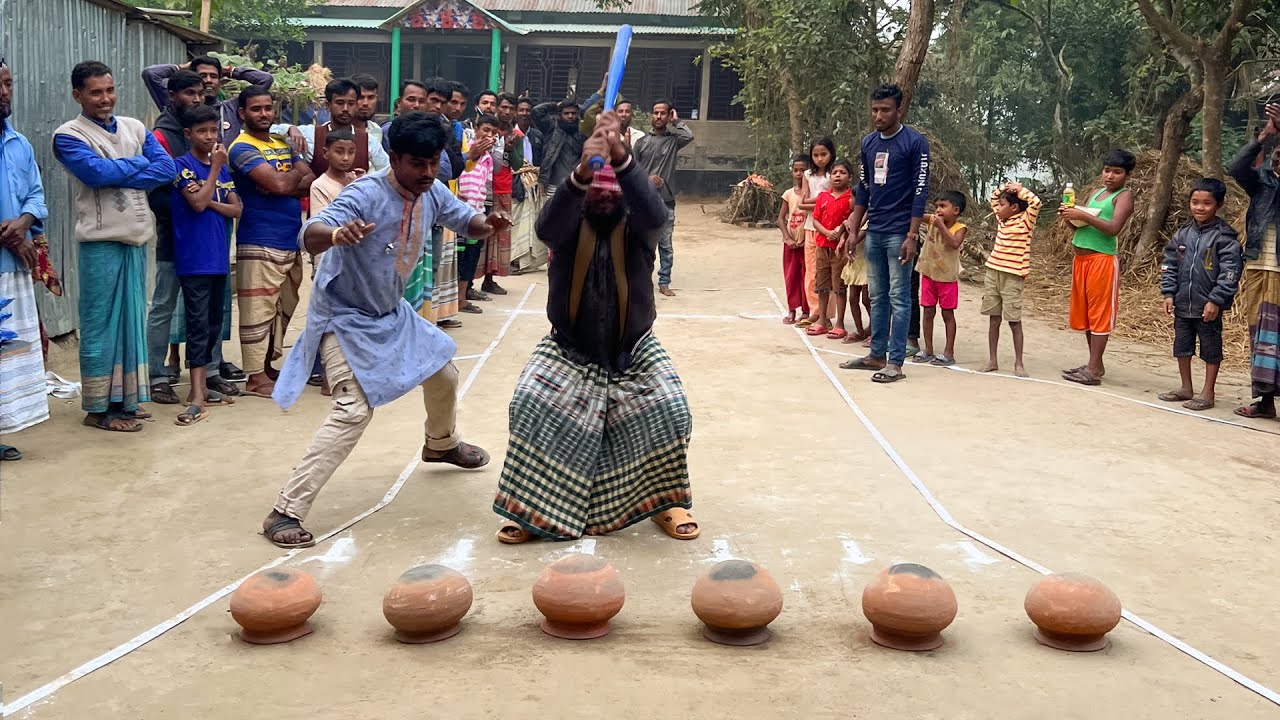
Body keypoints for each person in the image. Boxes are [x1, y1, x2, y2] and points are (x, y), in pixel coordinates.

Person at [260, 111, 503, 548]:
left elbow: (468, 221)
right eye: (418, 163)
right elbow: (310, 232)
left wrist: (490, 225)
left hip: (392, 311)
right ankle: (284, 511)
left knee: (444, 372)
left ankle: (441, 444)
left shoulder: (430, 193)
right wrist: (335, 235)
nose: (428, 172)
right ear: (394, 158)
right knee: (353, 410)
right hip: (342, 317)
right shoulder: (364, 193)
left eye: (433, 162)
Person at [492, 111, 697, 544]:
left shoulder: (638, 226)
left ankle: (662, 501)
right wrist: (583, 171)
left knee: (670, 407)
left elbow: (656, 215)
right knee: (530, 403)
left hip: (632, 350)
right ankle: (533, 507)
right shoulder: (568, 224)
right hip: (568, 349)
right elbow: (546, 227)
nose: (605, 195)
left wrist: (623, 160)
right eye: (596, 187)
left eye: (612, 187)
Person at [54, 61, 176, 432]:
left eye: (109, 90)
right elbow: (94, 174)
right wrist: (139, 166)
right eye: (95, 92)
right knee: (100, 325)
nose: (105, 99)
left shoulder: (135, 127)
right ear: (78, 95)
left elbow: (167, 169)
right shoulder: (69, 135)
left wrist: (120, 168)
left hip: (136, 240)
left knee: (130, 323)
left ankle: (127, 400)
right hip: (100, 243)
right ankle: (98, 409)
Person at [839, 84, 930, 384]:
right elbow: (863, 190)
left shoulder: (915, 143)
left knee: (899, 297)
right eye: (875, 110)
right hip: (874, 230)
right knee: (876, 296)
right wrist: (854, 230)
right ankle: (875, 354)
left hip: (900, 231)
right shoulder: (868, 143)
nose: (878, 116)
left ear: (899, 110)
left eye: (885, 110)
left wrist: (912, 235)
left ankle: (895, 362)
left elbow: (920, 191)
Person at [228, 85, 315, 398]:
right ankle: (254, 376)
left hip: (290, 236)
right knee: (257, 309)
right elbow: (287, 180)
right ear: (242, 113)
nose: (263, 114)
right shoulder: (240, 147)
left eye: (267, 108)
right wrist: (286, 182)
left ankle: (266, 366)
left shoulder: (280, 141)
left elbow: (310, 177)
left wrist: (282, 185)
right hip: (259, 237)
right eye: (256, 109)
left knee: (282, 306)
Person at [146, 70, 226, 406]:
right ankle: (156, 375)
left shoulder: (207, 136)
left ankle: (209, 373)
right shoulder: (161, 137)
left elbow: (226, 196)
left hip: (206, 237)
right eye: (189, 93)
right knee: (164, 303)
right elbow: (156, 190)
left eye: (200, 93)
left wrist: (204, 206)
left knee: (210, 308)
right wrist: (187, 210)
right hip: (174, 232)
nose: (197, 98)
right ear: (172, 96)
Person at [171, 105, 242, 426]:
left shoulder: (222, 170)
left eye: (214, 131)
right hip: (194, 260)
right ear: (188, 134)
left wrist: (209, 195)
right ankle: (196, 394)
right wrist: (213, 172)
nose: (210, 137)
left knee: (214, 324)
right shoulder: (181, 167)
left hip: (217, 260)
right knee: (197, 327)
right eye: (203, 131)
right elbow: (196, 204)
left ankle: (202, 390)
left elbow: (236, 210)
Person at [0, 57, 50, 458]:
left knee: (5, 352)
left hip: (10, 268)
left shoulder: (18, 143)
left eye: (8, 83)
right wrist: (9, 232)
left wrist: (25, 221)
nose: (4, 93)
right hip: (8, 251)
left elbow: (35, 192)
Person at [1156, 178, 1242, 412]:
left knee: (1210, 347)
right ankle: (1185, 387)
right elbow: (1169, 264)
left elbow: (1230, 272)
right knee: (1182, 345)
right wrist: (1168, 293)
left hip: (1208, 306)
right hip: (1183, 302)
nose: (1200, 208)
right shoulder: (1182, 234)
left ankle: (1208, 392)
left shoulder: (1225, 237)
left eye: (1207, 203)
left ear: (1219, 205)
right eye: (1195, 202)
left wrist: (1216, 299)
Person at [1059, 149, 1137, 386]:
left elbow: (1113, 227)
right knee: (1086, 314)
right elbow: (1082, 228)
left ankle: (1093, 370)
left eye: (1117, 172)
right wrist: (1071, 218)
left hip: (1102, 260)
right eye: (1107, 170)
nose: (1110, 176)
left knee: (1100, 314)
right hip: (1081, 258)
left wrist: (1084, 215)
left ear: (1126, 175)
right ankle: (1095, 364)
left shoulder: (1124, 196)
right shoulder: (1097, 193)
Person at [979, 182, 1041, 377]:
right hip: (993, 272)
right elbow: (993, 198)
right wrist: (1006, 187)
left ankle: (1019, 363)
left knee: (1014, 320)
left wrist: (1019, 190)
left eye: (1003, 205)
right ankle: (992, 360)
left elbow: (1036, 203)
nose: (998, 208)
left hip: (1013, 276)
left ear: (1014, 207)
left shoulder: (1025, 221)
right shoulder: (1002, 220)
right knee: (993, 318)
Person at [634, 100, 695, 297]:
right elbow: (632, 172)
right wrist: (647, 178)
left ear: (669, 116)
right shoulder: (641, 142)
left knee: (666, 246)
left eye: (663, 113)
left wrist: (677, 121)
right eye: (655, 113)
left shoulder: (673, 141)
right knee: (643, 245)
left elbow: (689, 135)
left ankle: (664, 281)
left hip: (666, 202)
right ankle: (642, 281)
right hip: (644, 203)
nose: (658, 117)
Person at [142, 55, 272, 145]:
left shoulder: (231, 109)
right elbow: (150, 74)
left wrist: (230, 71)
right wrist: (182, 68)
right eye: (203, 76)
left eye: (214, 76)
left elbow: (265, 79)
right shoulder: (181, 104)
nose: (209, 80)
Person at [277, 78, 388, 175]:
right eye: (340, 103)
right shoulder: (311, 135)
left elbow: (387, 172)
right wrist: (291, 128)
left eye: (351, 103)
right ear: (328, 105)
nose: (345, 108)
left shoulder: (369, 141)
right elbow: (269, 131)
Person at [914, 191, 968, 366]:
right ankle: (928, 349)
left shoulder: (960, 228)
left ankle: (948, 352)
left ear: (956, 210)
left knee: (947, 314)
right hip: (929, 274)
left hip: (947, 278)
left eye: (943, 206)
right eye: (937, 206)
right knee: (928, 311)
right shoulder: (932, 220)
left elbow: (954, 243)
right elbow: (916, 215)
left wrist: (940, 226)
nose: (938, 210)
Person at [457, 115, 500, 313]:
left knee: (472, 255)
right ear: (476, 129)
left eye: (493, 132)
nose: (489, 135)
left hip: (478, 212)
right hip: (459, 212)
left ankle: (462, 298)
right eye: (485, 130)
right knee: (458, 255)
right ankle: (453, 299)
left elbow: (485, 186)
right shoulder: (465, 149)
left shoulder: (489, 159)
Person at [808, 160, 855, 339]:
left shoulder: (851, 199)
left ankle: (840, 323)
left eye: (842, 172)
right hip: (822, 245)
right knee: (821, 284)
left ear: (849, 177)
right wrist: (827, 232)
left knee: (839, 286)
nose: (837, 175)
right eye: (834, 172)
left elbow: (851, 220)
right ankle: (822, 319)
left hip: (840, 250)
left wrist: (839, 232)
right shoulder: (823, 197)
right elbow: (816, 219)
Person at [779, 154, 810, 324]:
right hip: (790, 244)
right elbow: (781, 218)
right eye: (796, 170)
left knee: (807, 276)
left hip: (806, 243)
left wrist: (807, 239)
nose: (799, 174)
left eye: (803, 170)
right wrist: (787, 238)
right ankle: (792, 309)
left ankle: (806, 310)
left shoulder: (811, 195)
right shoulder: (788, 194)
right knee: (791, 277)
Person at [533, 99, 586, 195]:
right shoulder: (552, 127)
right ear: (560, 115)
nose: (570, 116)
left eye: (573, 113)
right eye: (566, 113)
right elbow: (536, 111)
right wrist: (555, 105)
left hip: (576, 184)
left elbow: (590, 112)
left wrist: (579, 107)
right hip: (553, 185)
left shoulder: (582, 131)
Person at [352, 73, 382, 148]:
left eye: (371, 97)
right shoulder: (329, 130)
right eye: (361, 97)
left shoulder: (377, 130)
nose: (365, 103)